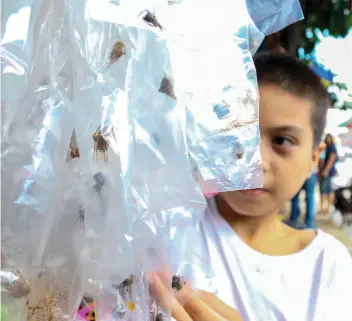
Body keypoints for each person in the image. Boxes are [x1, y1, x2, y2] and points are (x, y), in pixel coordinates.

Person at [150, 53, 352, 321]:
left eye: (282, 140)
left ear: (315, 156)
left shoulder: (328, 265)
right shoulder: (167, 226)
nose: (254, 161)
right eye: (236, 134)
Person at [319, 133, 338, 213]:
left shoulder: (331, 148)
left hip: (327, 172)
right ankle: (326, 208)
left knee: (325, 190)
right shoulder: (328, 147)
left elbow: (331, 160)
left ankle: (325, 208)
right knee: (328, 190)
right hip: (328, 172)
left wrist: (325, 170)